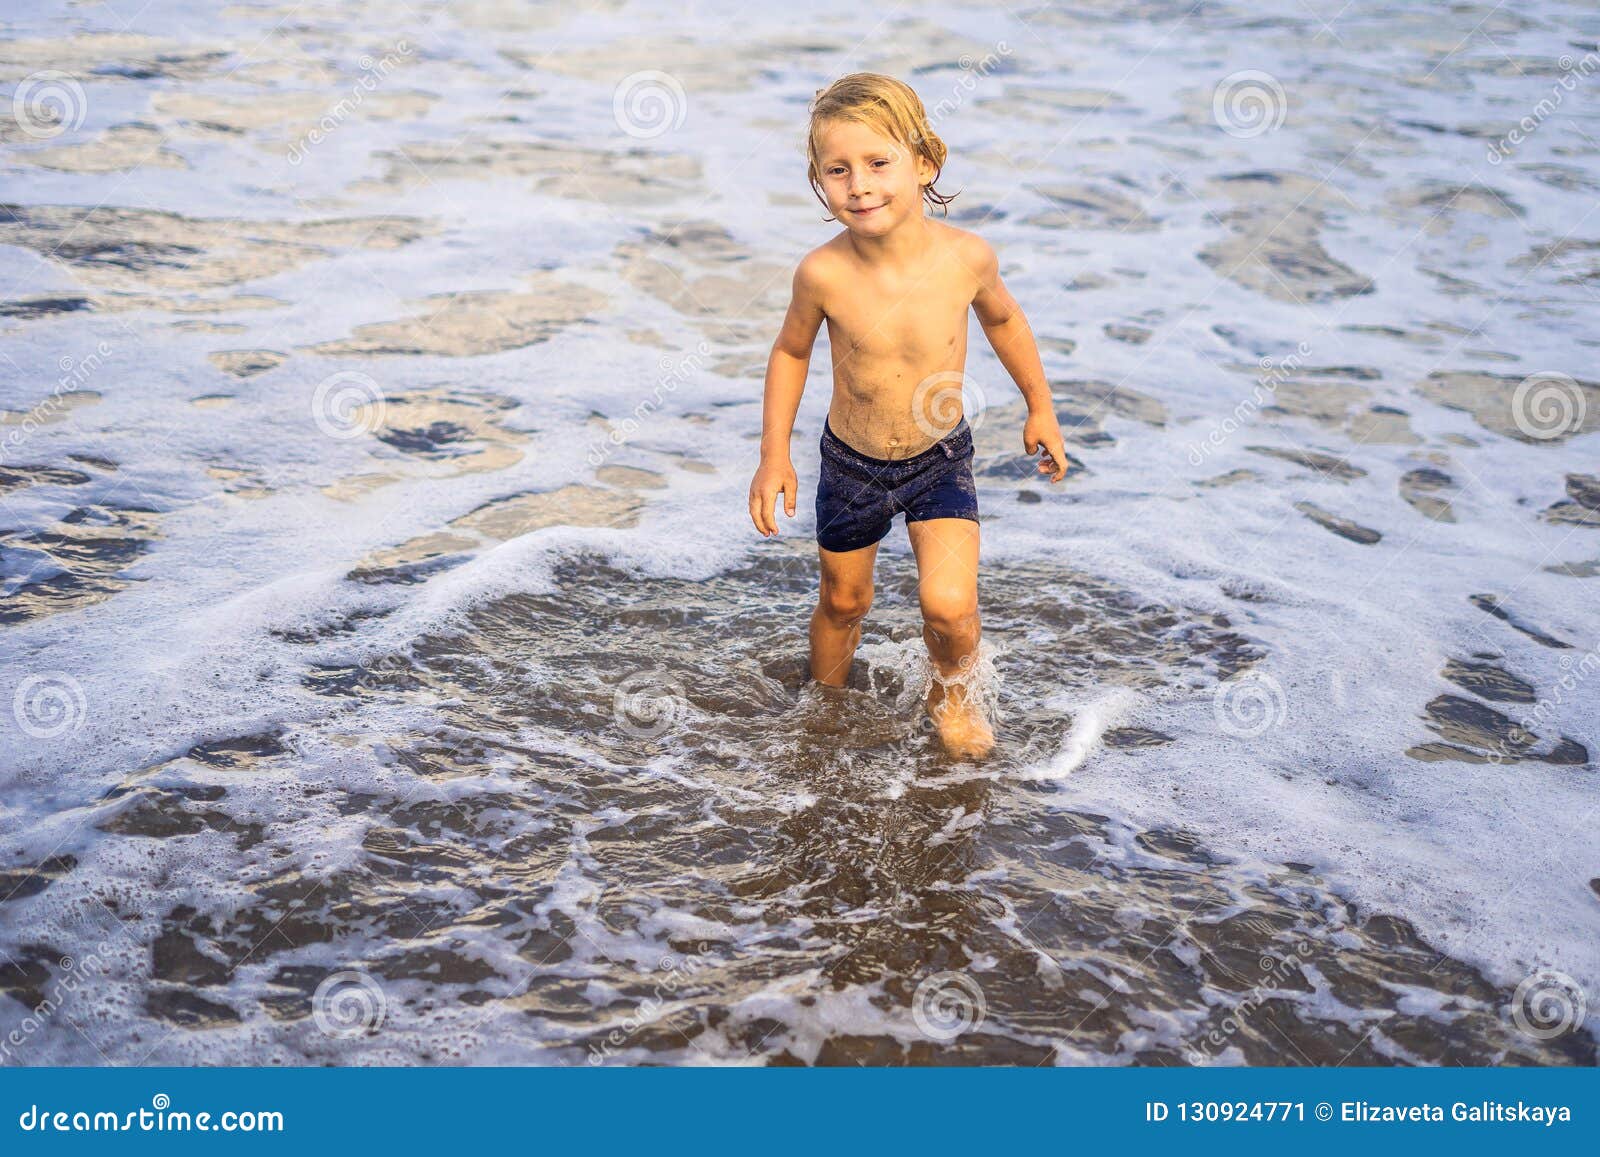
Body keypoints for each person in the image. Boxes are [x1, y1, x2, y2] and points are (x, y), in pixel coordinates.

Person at [747, 72, 1070, 760]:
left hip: (938, 461)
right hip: (851, 465)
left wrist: (1040, 406)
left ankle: (951, 697)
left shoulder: (964, 257)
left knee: (950, 607)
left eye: (877, 163)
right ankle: (826, 705)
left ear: (925, 162)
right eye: (837, 170)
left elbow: (1007, 322)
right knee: (843, 602)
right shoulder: (822, 273)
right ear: (818, 181)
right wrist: (774, 453)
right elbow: (790, 352)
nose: (858, 185)